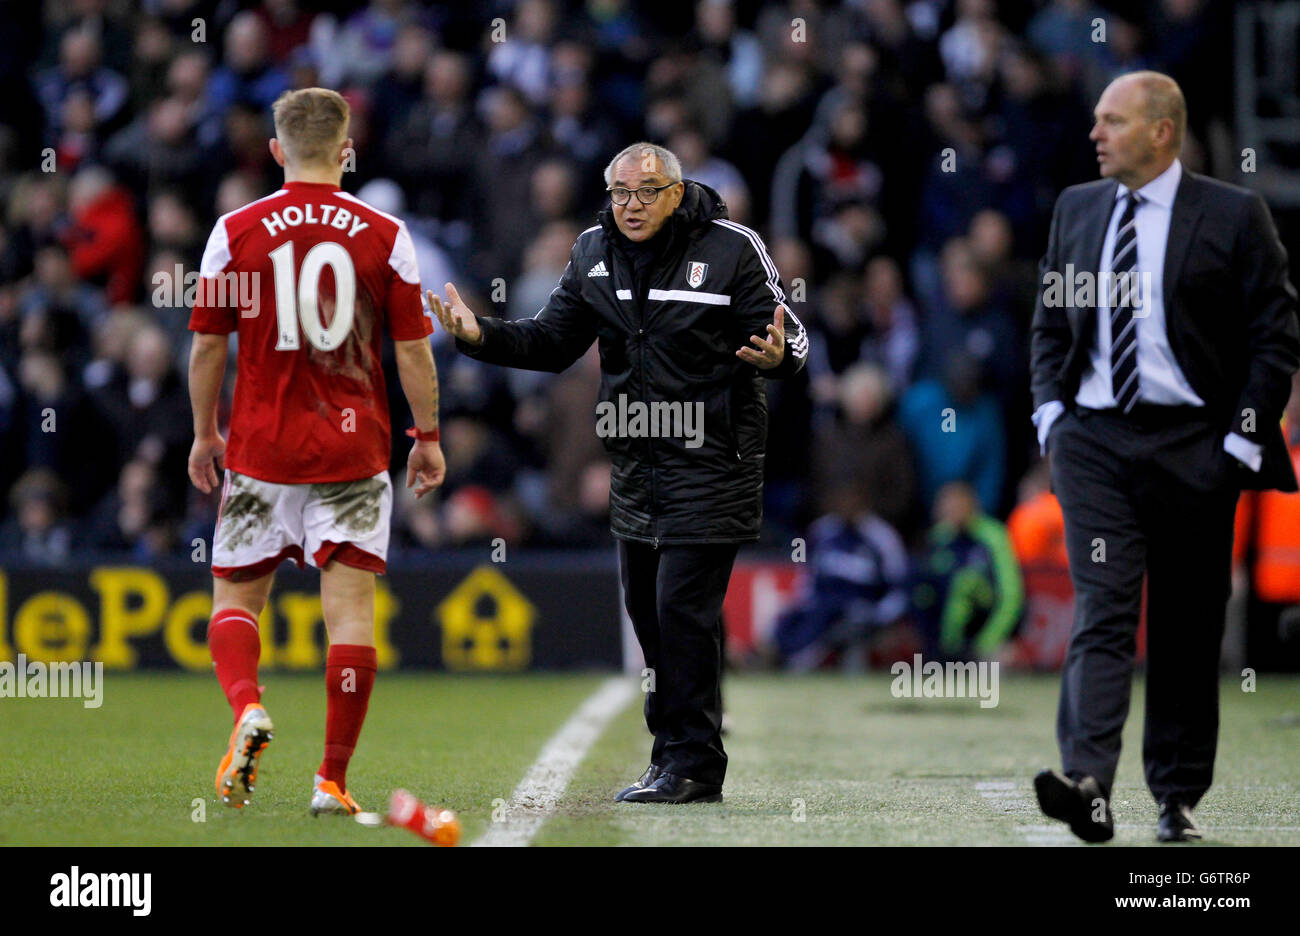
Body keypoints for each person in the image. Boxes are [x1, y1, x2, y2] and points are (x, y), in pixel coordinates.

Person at [430, 142, 808, 804]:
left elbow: (791, 337)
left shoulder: (731, 249)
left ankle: (694, 764)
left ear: (675, 192)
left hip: (713, 459)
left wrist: (779, 356)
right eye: (620, 193)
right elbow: (552, 342)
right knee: (648, 613)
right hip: (636, 464)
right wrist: (478, 335)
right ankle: (671, 754)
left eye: (646, 191)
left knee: (680, 609)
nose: (631, 205)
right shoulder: (591, 253)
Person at [1029, 71, 1299, 842]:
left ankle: (1175, 800)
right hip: (1094, 442)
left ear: (1162, 131)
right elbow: (1050, 322)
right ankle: (1087, 781)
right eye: (1096, 120)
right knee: (1103, 608)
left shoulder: (1234, 215)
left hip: (1195, 447)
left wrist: (1241, 438)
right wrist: (1052, 414)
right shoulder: (1076, 210)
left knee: (1186, 624)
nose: (1096, 134)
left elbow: (1274, 338)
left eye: (1113, 121)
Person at [187, 88, 445, 816]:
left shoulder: (235, 230)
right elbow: (413, 350)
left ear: (276, 150)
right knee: (352, 616)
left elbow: (209, 344)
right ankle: (331, 781)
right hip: (355, 452)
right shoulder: (385, 232)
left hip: (261, 449)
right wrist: (425, 439)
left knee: (237, 597)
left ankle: (246, 706)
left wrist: (206, 433)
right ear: (346, 148)